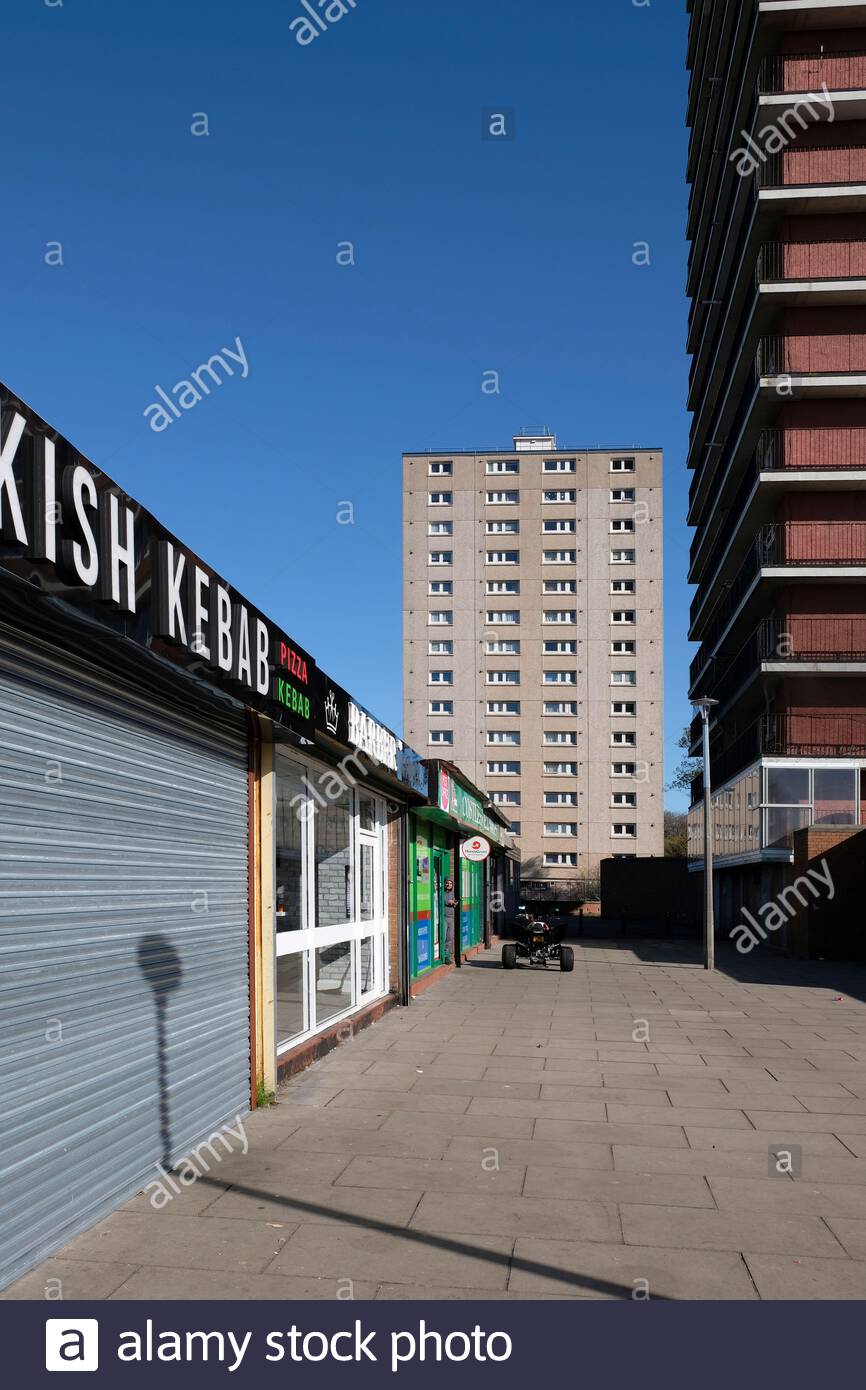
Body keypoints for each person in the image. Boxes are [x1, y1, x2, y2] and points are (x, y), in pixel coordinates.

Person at [443, 877, 459, 962]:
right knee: (444, 936)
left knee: (449, 937)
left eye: (450, 883)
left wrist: (455, 902)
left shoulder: (453, 893)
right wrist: (449, 902)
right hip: (444, 917)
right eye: (447, 883)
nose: (448, 885)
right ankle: (442, 955)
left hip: (451, 917)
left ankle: (446, 956)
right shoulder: (442, 893)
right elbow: (444, 901)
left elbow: (455, 901)